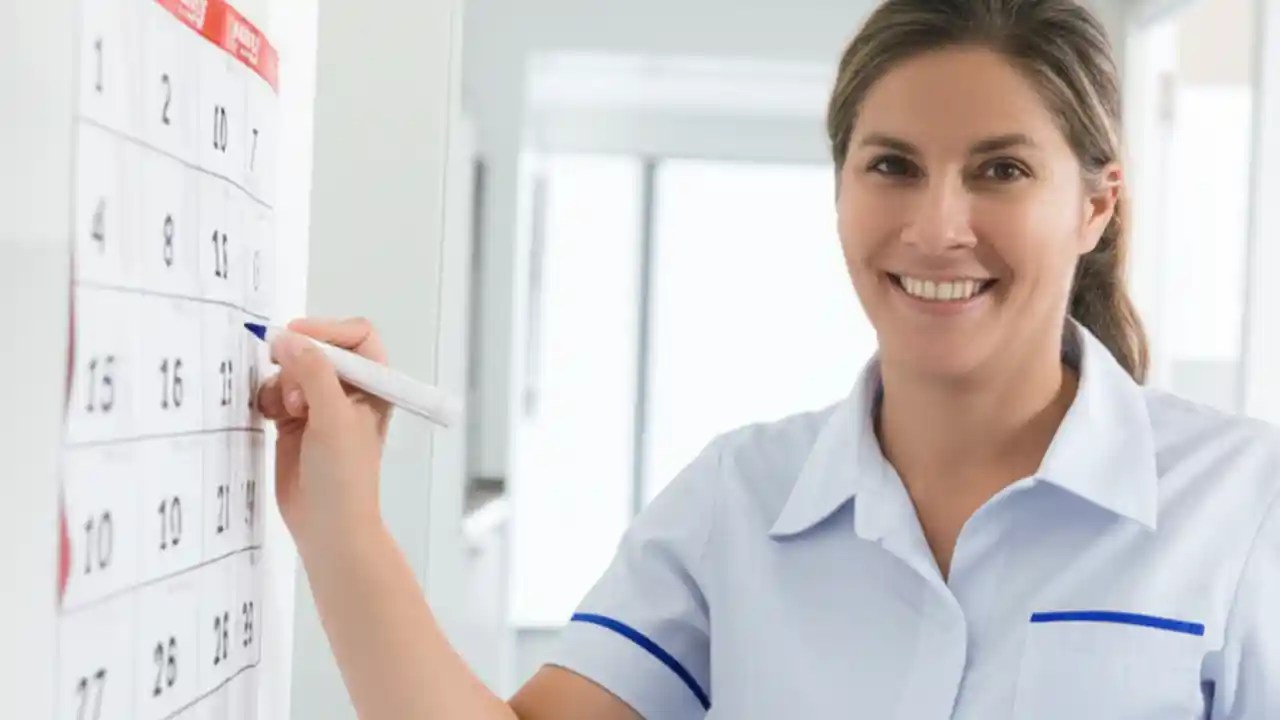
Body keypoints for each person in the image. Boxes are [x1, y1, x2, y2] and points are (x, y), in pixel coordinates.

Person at [258, 0, 1280, 717]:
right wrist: (339, 518)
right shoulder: (735, 501)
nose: (936, 226)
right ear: (838, 186)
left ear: (1093, 204)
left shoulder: (1239, 502)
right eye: (890, 166)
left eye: (999, 169)